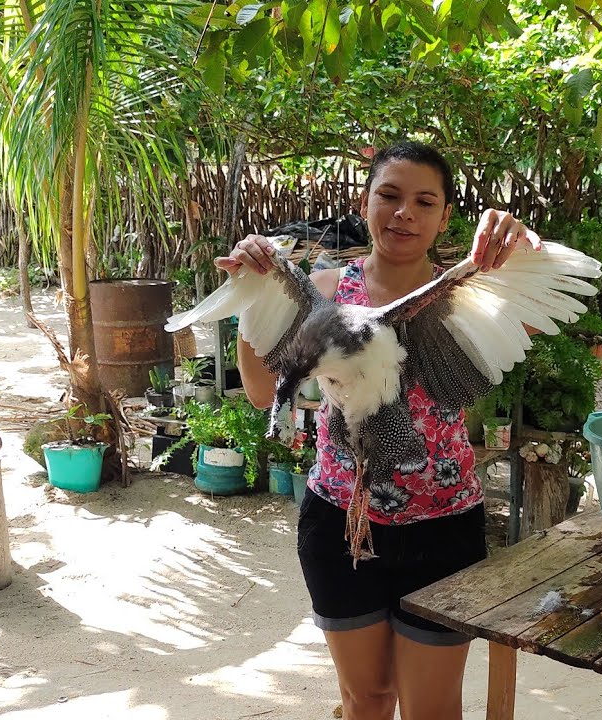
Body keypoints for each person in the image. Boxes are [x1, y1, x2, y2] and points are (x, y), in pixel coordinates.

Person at [218, 142, 540, 720]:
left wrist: (515, 248)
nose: (404, 213)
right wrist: (254, 293)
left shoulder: (471, 295)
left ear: (445, 217)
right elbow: (266, 394)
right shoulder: (319, 290)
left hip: (443, 529)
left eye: (424, 201)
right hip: (341, 526)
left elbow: (535, 312)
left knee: (432, 711)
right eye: (388, 196)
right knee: (365, 702)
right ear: (364, 202)